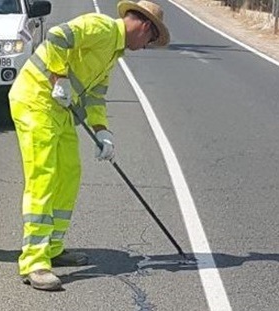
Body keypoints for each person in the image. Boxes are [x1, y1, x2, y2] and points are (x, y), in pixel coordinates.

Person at [9, 0, 170, 291]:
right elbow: (57, 36)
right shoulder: (101, 27)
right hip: (34, 100)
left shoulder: (113, 52)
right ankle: (34, 261)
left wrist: (102, 132)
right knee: (43, 178)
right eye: (151, 40)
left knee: (69, 173)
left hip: (60, 111)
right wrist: (58, 78)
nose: (147, 46)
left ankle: (54, 247)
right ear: (145, 27)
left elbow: (95, 95)